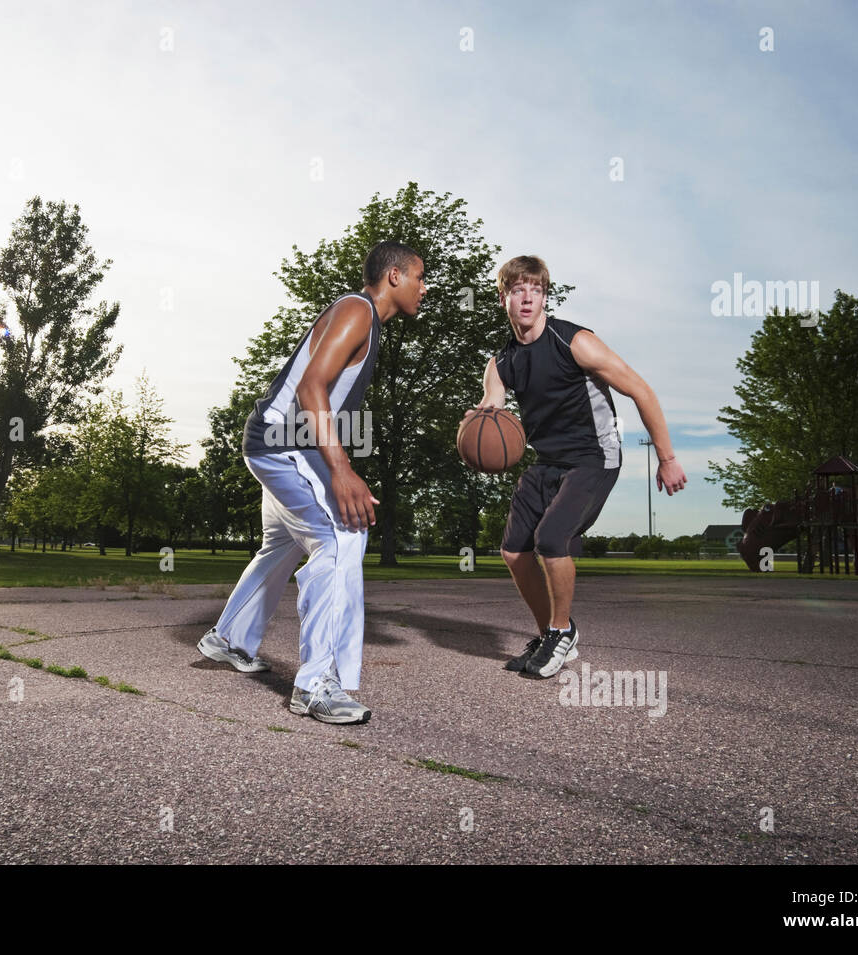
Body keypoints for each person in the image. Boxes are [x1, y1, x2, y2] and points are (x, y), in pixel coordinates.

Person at [197, 241, 427, 724]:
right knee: (343, 536)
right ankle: (317, 684)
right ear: (393, 277)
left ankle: (230, 638)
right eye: (419, 278)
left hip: (277, 442)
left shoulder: (363, 318)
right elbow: (309, 387)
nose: (423, 289)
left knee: (281, 544)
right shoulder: (357, 309)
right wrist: (342, 470)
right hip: (284, 444)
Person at [470, 255, 686, 678]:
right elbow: (491, 409)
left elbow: (641, 390)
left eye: (535, 289)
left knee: (552, 538)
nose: (527, 297)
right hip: (547, 461)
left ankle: (559, 628)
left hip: (593, 456)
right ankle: (554, 637)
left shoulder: (575, 341)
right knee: (514, 550)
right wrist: (476, 426)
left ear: (545, 296)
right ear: (504, 300)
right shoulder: (501, 363)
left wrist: (666, 458)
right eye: (517, 290)